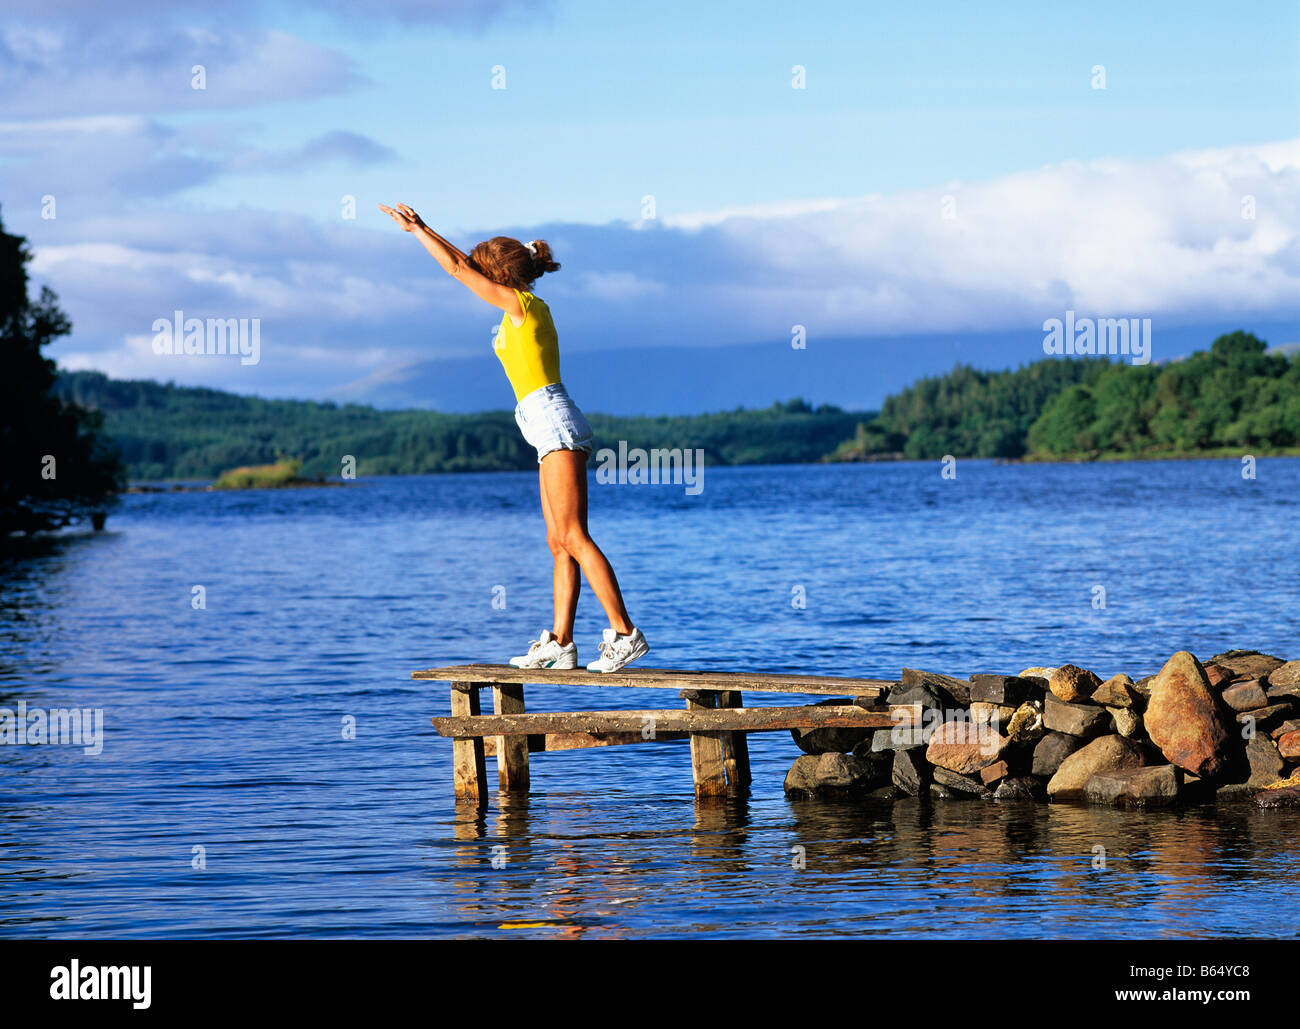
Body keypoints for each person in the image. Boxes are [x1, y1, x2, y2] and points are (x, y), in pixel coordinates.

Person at [379, 202, 649, 673]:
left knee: (574, 535)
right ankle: (561, 643)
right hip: (544, 425)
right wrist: (437, 237)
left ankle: (625, 633)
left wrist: (419, 229)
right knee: (557, 540)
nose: (477, 282)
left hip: (554, 421)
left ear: (499, 277)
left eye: (486, 274)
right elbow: (466, 262)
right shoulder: (520, 307)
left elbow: (458, 267)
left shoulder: (521, 305)